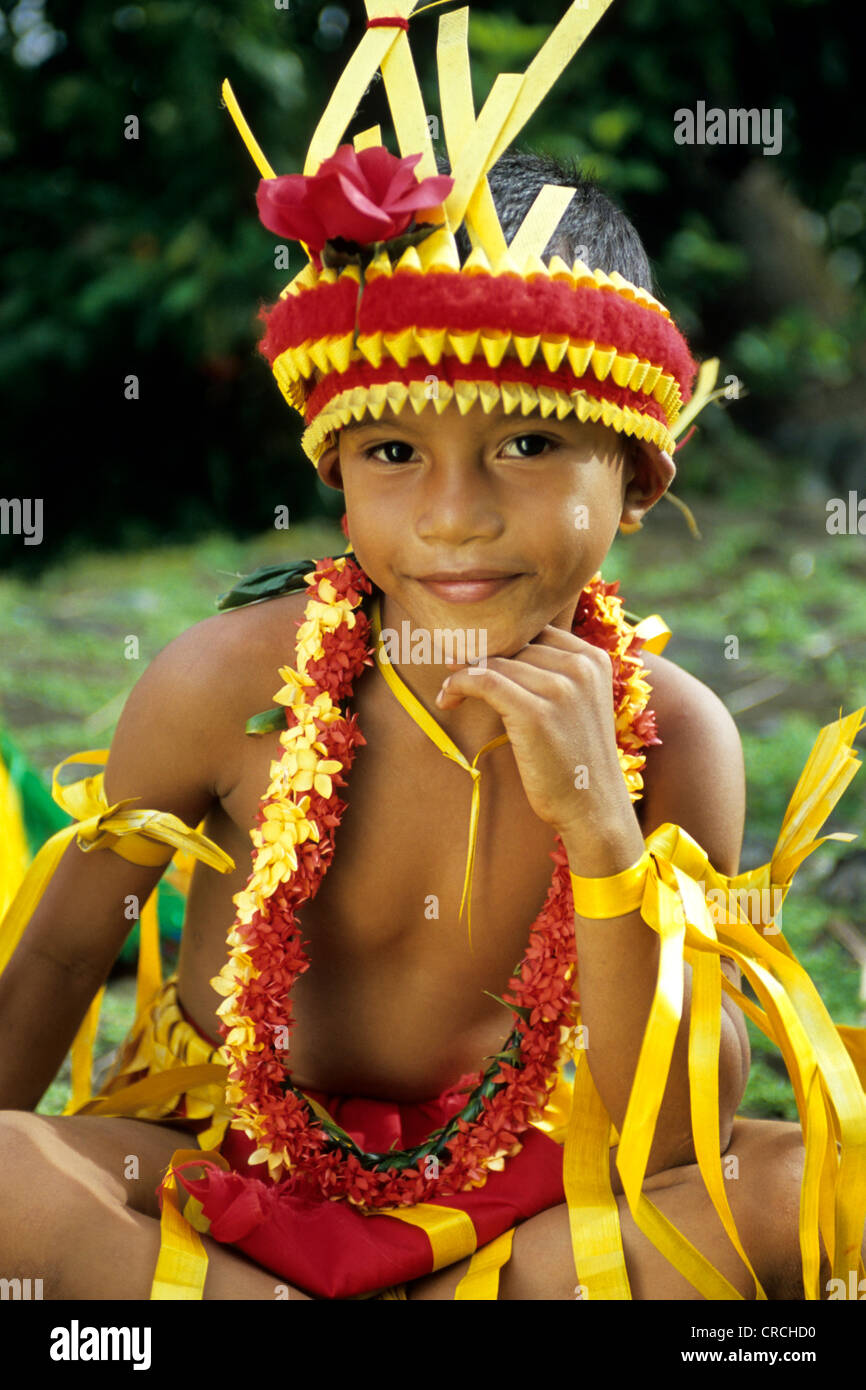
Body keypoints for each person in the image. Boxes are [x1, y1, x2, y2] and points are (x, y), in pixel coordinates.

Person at [0, 0, 864, 1302]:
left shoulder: (675, 733)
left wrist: (602, 838)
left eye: (525, 445)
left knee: (818, 1192)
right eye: (394, 452)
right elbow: (67, 955)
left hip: (531, 1209)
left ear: (634, 479)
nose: (455, 511)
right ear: (337, 474)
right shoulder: (221, 683)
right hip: (226, 1186)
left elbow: (672, 1136)